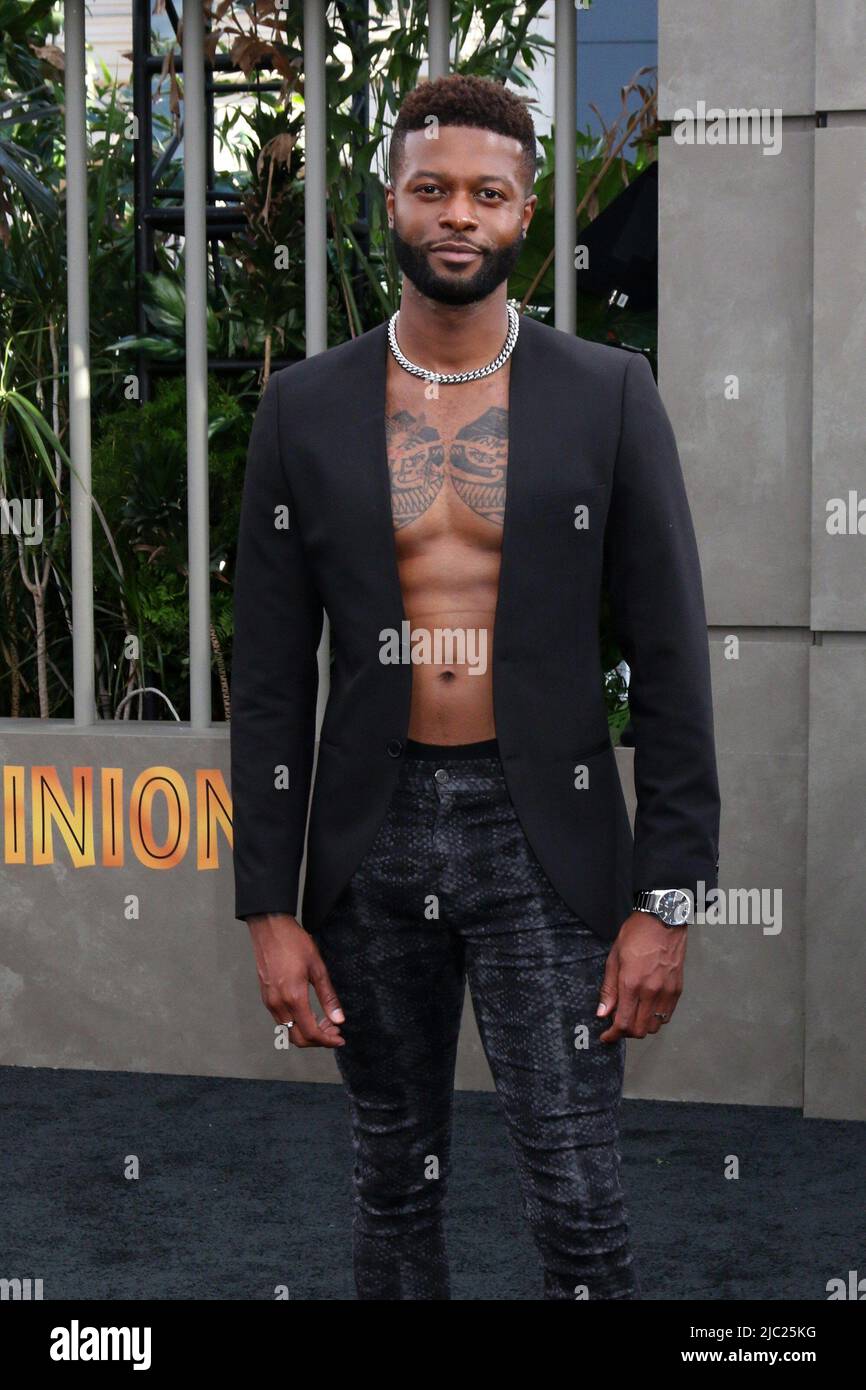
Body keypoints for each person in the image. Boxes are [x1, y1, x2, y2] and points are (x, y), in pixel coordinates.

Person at [230, 73, 721, 1300]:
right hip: (365, 839)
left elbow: (669, 662)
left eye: (486, 193)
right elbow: (274, 680)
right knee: (392, 1177)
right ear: (389, 202)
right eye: (431, 187)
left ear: (522, 213)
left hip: (541, 833)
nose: (458, 212)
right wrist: (267, 908)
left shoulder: (607, 394)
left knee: (575, 1186)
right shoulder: (302, 406)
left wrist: (665, 900)